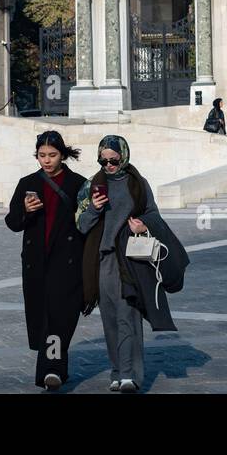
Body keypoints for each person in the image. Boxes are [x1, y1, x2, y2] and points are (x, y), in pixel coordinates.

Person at [75, 135, 189, 394]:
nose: (108, 165)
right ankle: (116, 372)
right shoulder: (91, 186)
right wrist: (93, 208)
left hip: (130, 259)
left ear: (123, 156)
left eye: (113, 160)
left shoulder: (137, 183)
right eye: (102, 161)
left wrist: (144, 224)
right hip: (102, 261)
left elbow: (153, 213)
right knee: (110, 319)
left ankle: (130, 374)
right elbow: (81, 224)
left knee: (128, 314)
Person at [4, 131, 87, 390]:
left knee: (60, 317)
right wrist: (25, 211)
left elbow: (87, 222)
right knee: (45, 317)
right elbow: (12, 222)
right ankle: (54, 369)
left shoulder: (78, 183)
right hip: (37, 263)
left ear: (62, 155)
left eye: (52, 155)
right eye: (42, 155)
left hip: (68, 261)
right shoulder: (27, 182)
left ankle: (52, 371)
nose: (47, 160)